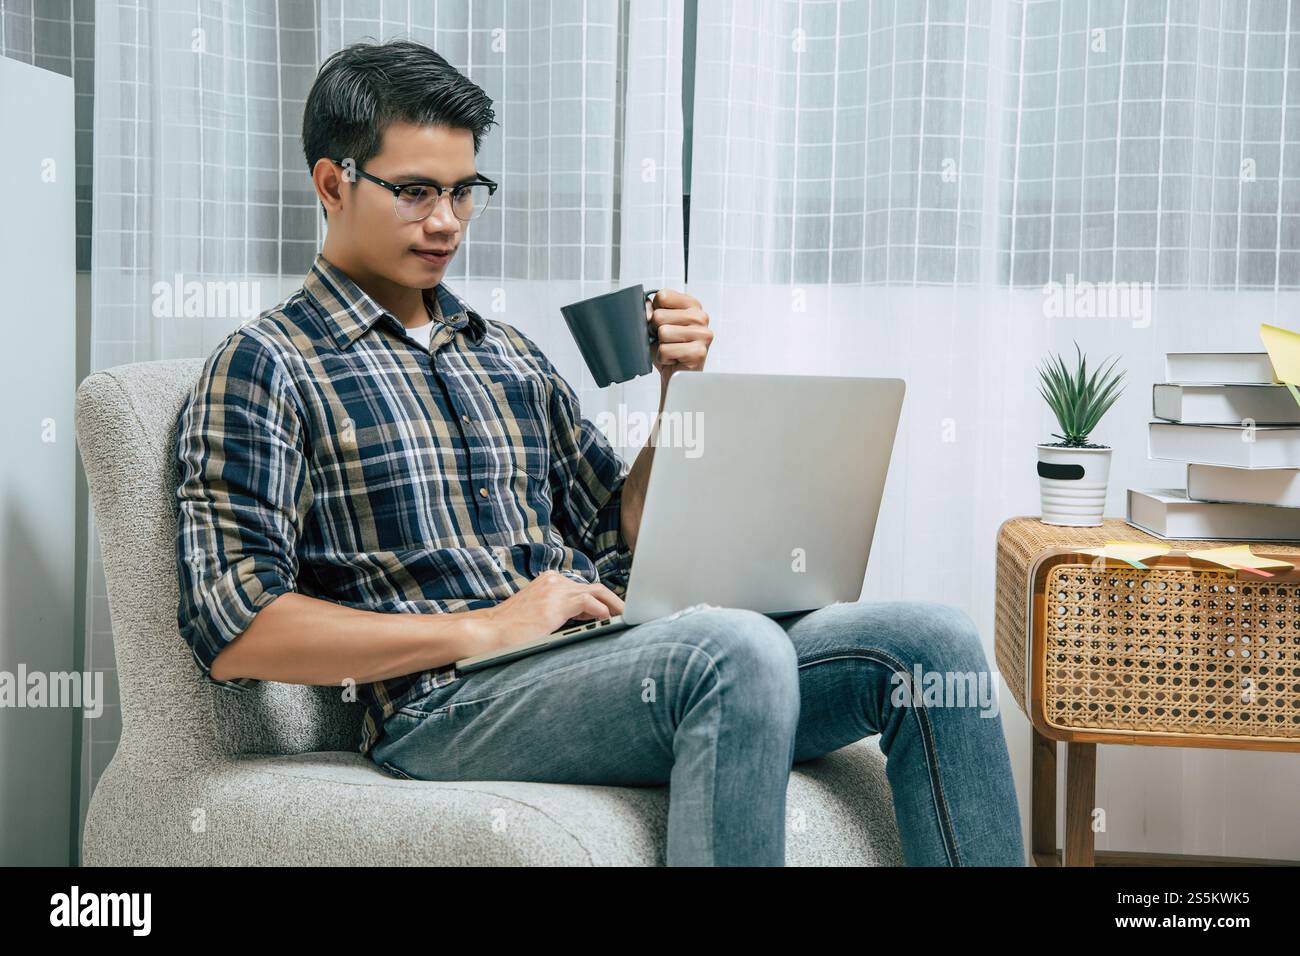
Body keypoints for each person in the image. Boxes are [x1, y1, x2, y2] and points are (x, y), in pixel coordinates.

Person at [174, 38, 1024, 866]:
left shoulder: (504, 351)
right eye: (415, 191)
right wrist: (485, 625)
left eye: (465, 191)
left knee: (931, 642)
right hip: (446, 703)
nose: (445, 222)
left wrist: (676, 392)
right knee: (735, 650)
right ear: (333, 182)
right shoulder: (265, 364)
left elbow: (621, 535)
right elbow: (237, 624)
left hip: (595, 657)